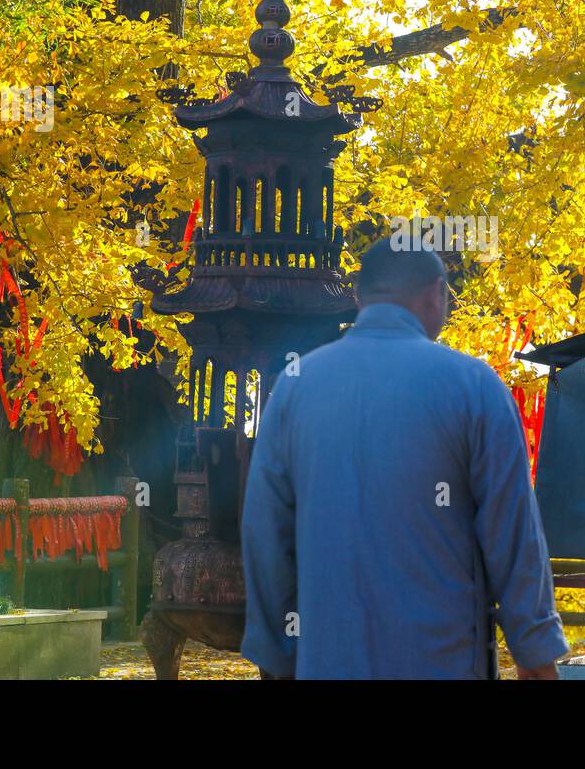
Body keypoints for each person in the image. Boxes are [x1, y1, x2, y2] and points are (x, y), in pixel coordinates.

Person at [240, 238, 567, 679]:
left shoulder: (296, 388)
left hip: (328, 660)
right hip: (442, 659)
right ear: (436, 293)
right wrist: (534, 651)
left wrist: (277, 653)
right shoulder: (473, 386)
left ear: (359, 297)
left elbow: (264, 529)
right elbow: (511, 533)